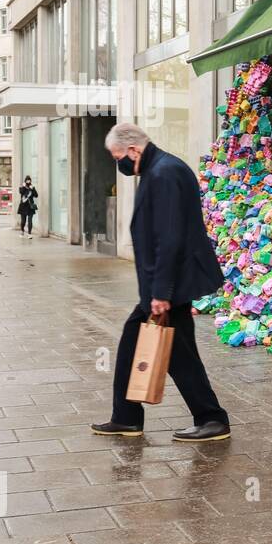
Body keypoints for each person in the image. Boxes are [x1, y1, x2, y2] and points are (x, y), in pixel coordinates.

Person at [91, 123, 231, 442]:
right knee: (136, 340)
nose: (119, 164)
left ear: (133, 150)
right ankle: (126, 417)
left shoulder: (163, 173)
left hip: (171, 285)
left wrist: (161, 293)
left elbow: (169, 238)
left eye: (118, 157)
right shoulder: (160, 167)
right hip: (166, 285)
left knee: (180, 355)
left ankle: (212, 418)